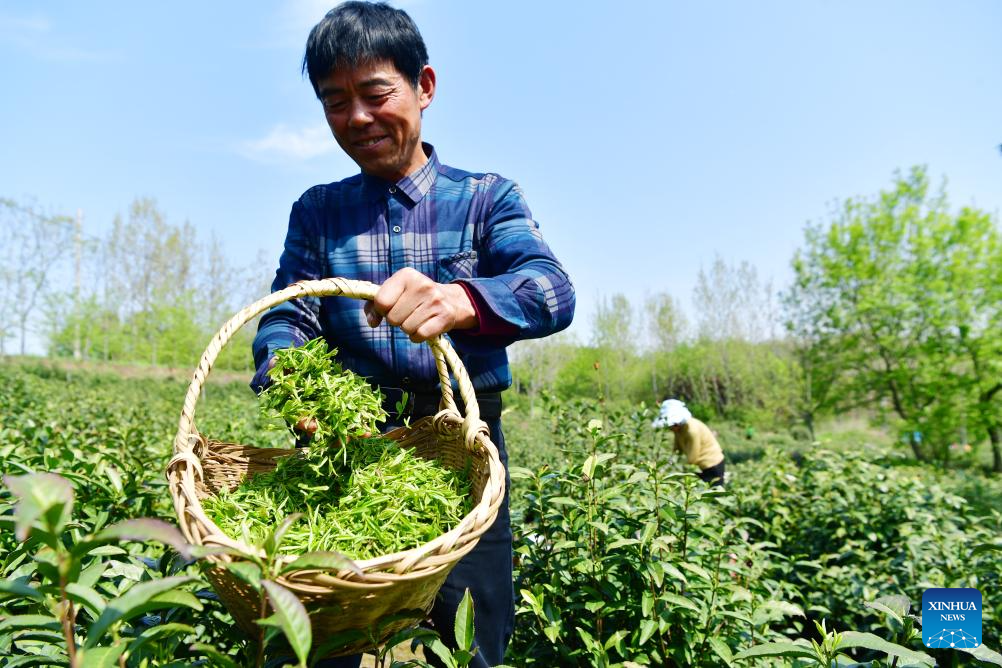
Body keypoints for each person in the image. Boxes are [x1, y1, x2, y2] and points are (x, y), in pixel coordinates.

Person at [249, 3, 576, 666]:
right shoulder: (318, 212)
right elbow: (287, 314)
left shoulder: (486, 198)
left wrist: (462, 299)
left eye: (376, 94)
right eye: (334, 102)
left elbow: (552, 289)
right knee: (322, 638)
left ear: (423, 86)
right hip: (347, 447)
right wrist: (289, 376)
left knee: (468, 641)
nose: (358, 118)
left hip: (464, 448)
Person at [651, 399, 726, 486]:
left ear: (676, 423)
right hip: (700, 466)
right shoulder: (679, 430)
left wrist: (677, 472)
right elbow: (676, 450)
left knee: (713, 494)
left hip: (712, 464)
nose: (669, 428)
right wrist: (665, 466)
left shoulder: (692, 431)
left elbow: (692, 458)